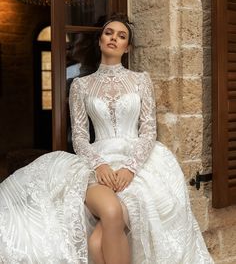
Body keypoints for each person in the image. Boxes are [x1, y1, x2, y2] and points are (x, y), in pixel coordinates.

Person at [0, 14, 214, 264]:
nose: (114, 38)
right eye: (109, 33)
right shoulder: (81, 85)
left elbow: (148, 130)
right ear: (100, 40)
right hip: (98, 164)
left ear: (128, 47)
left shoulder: (140, 80)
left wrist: (131, 168)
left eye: (121, 36)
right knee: (110, 211)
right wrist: (99, 165)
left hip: (140, 164)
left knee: (96, 242)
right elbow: (79, 135)